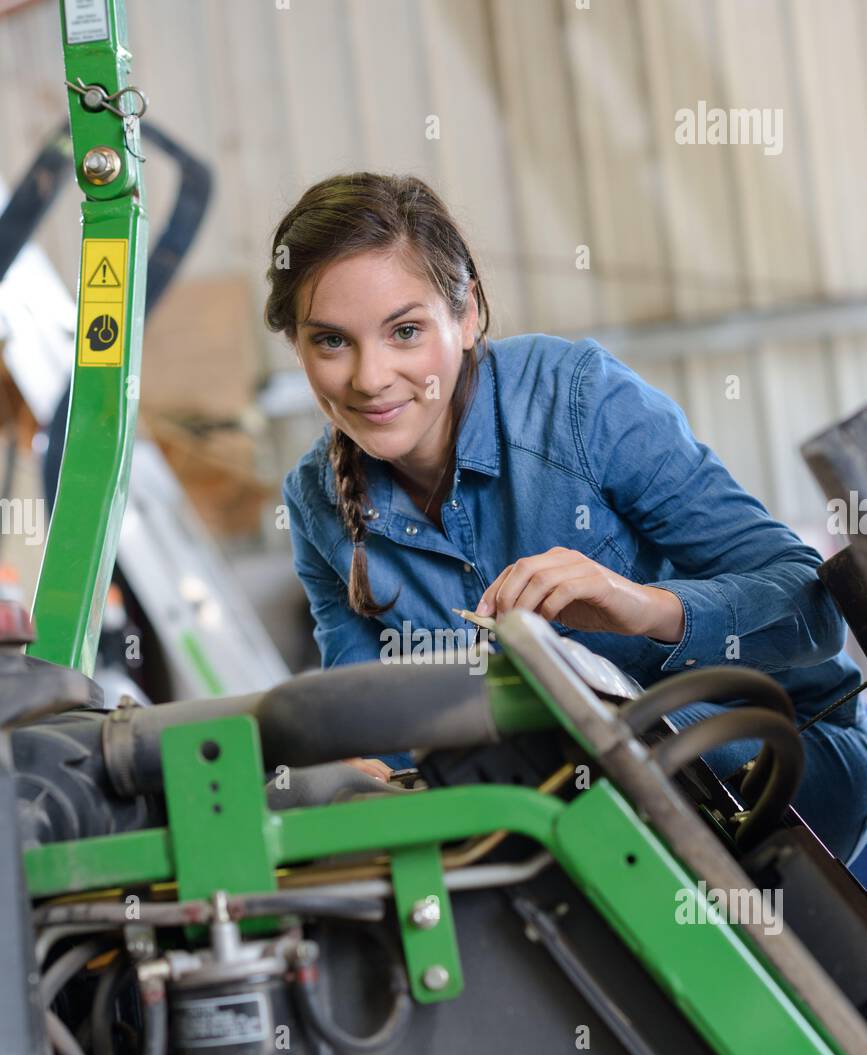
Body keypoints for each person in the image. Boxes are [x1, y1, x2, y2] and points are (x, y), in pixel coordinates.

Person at [265, 171, 867, 866]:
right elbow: (369, 714)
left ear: (465, 317)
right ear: (296, 345)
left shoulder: (579, 401)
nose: (370, 377)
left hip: (778, 772)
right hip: (558, 809)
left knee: (598, 763)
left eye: (404, 331)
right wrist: (352, 767)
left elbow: (814, 616)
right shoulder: (316, 502)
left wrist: (640, 608)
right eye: (331, 342)